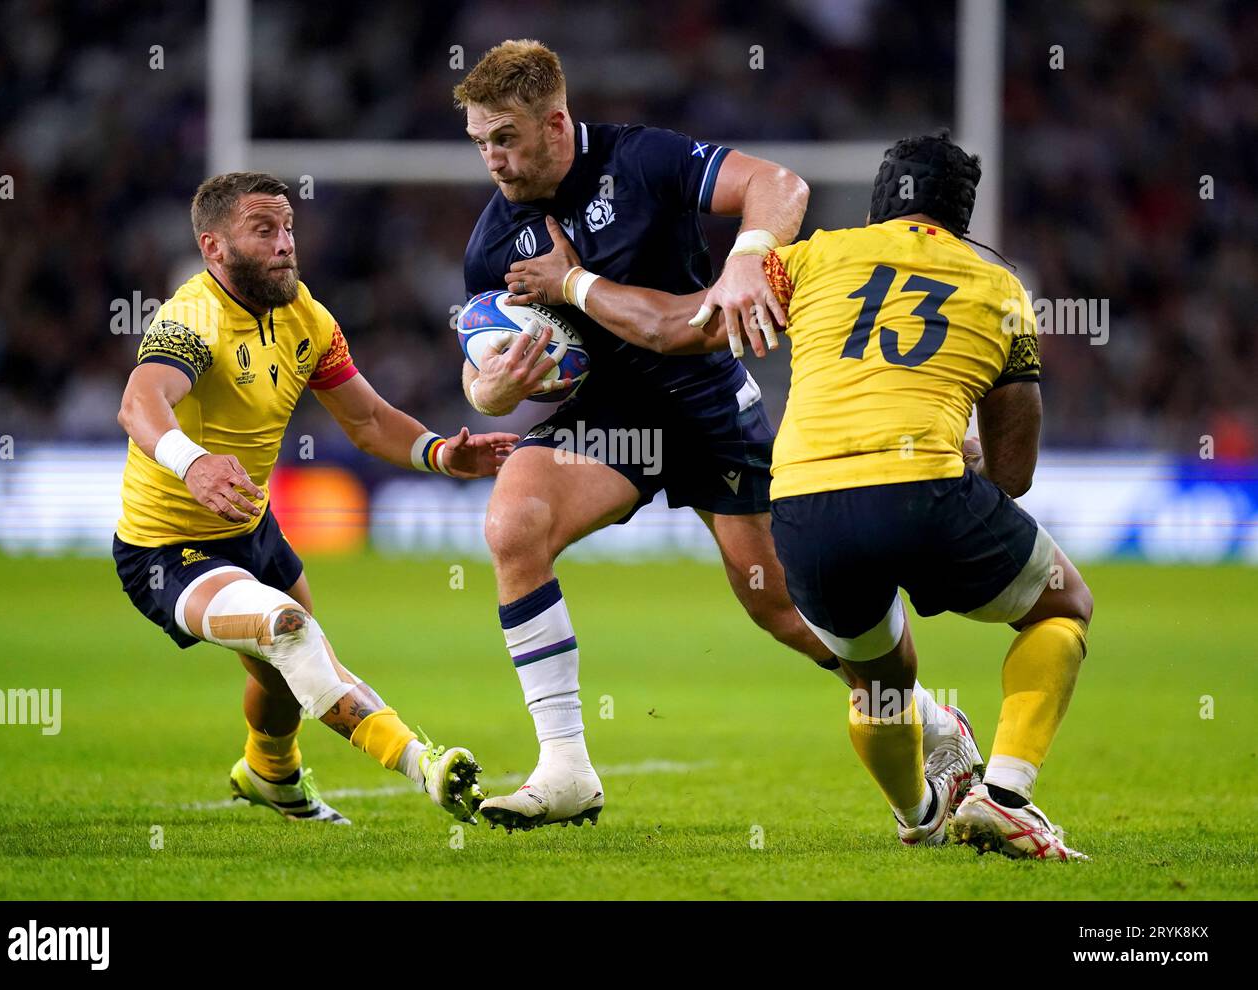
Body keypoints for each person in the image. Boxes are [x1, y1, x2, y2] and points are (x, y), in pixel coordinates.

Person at [506, 132, 1093, 859]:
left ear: (882, 200)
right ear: (962, 217)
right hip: (927, 490)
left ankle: (919, 815)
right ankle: (1003, 795)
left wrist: (572, 285)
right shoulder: (1002, 289)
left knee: (880, 683)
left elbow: (665, 328)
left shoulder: (807, 259)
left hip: (808, 506)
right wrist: (956, 473)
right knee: (1065, 605)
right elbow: (1015, 469)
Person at [455, 40, 980, 832]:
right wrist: (490, 390)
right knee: (512, 523)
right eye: (480, 142)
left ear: (555, 122)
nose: (491, 158)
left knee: (781, 608)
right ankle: (565, 768)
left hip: (705, 404)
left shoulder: (641, 160)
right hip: (609, 414)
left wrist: (748, 257)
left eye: (504, 137)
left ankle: (930, 718)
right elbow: (479, 365)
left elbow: (778, 184)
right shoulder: (494, 241)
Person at [114, 171, 516, 826]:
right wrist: (192, 465)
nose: (284, 244)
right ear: (214, 248)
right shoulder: (190, 317)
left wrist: (441, 452)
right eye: (264, 230)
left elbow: (367, 421)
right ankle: (423, 762)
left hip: (251, 525)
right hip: (169, 549)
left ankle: (271, 772)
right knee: (289, 633)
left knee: (278, 673)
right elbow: (140, 401)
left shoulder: (306, 316)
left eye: (289, 228)